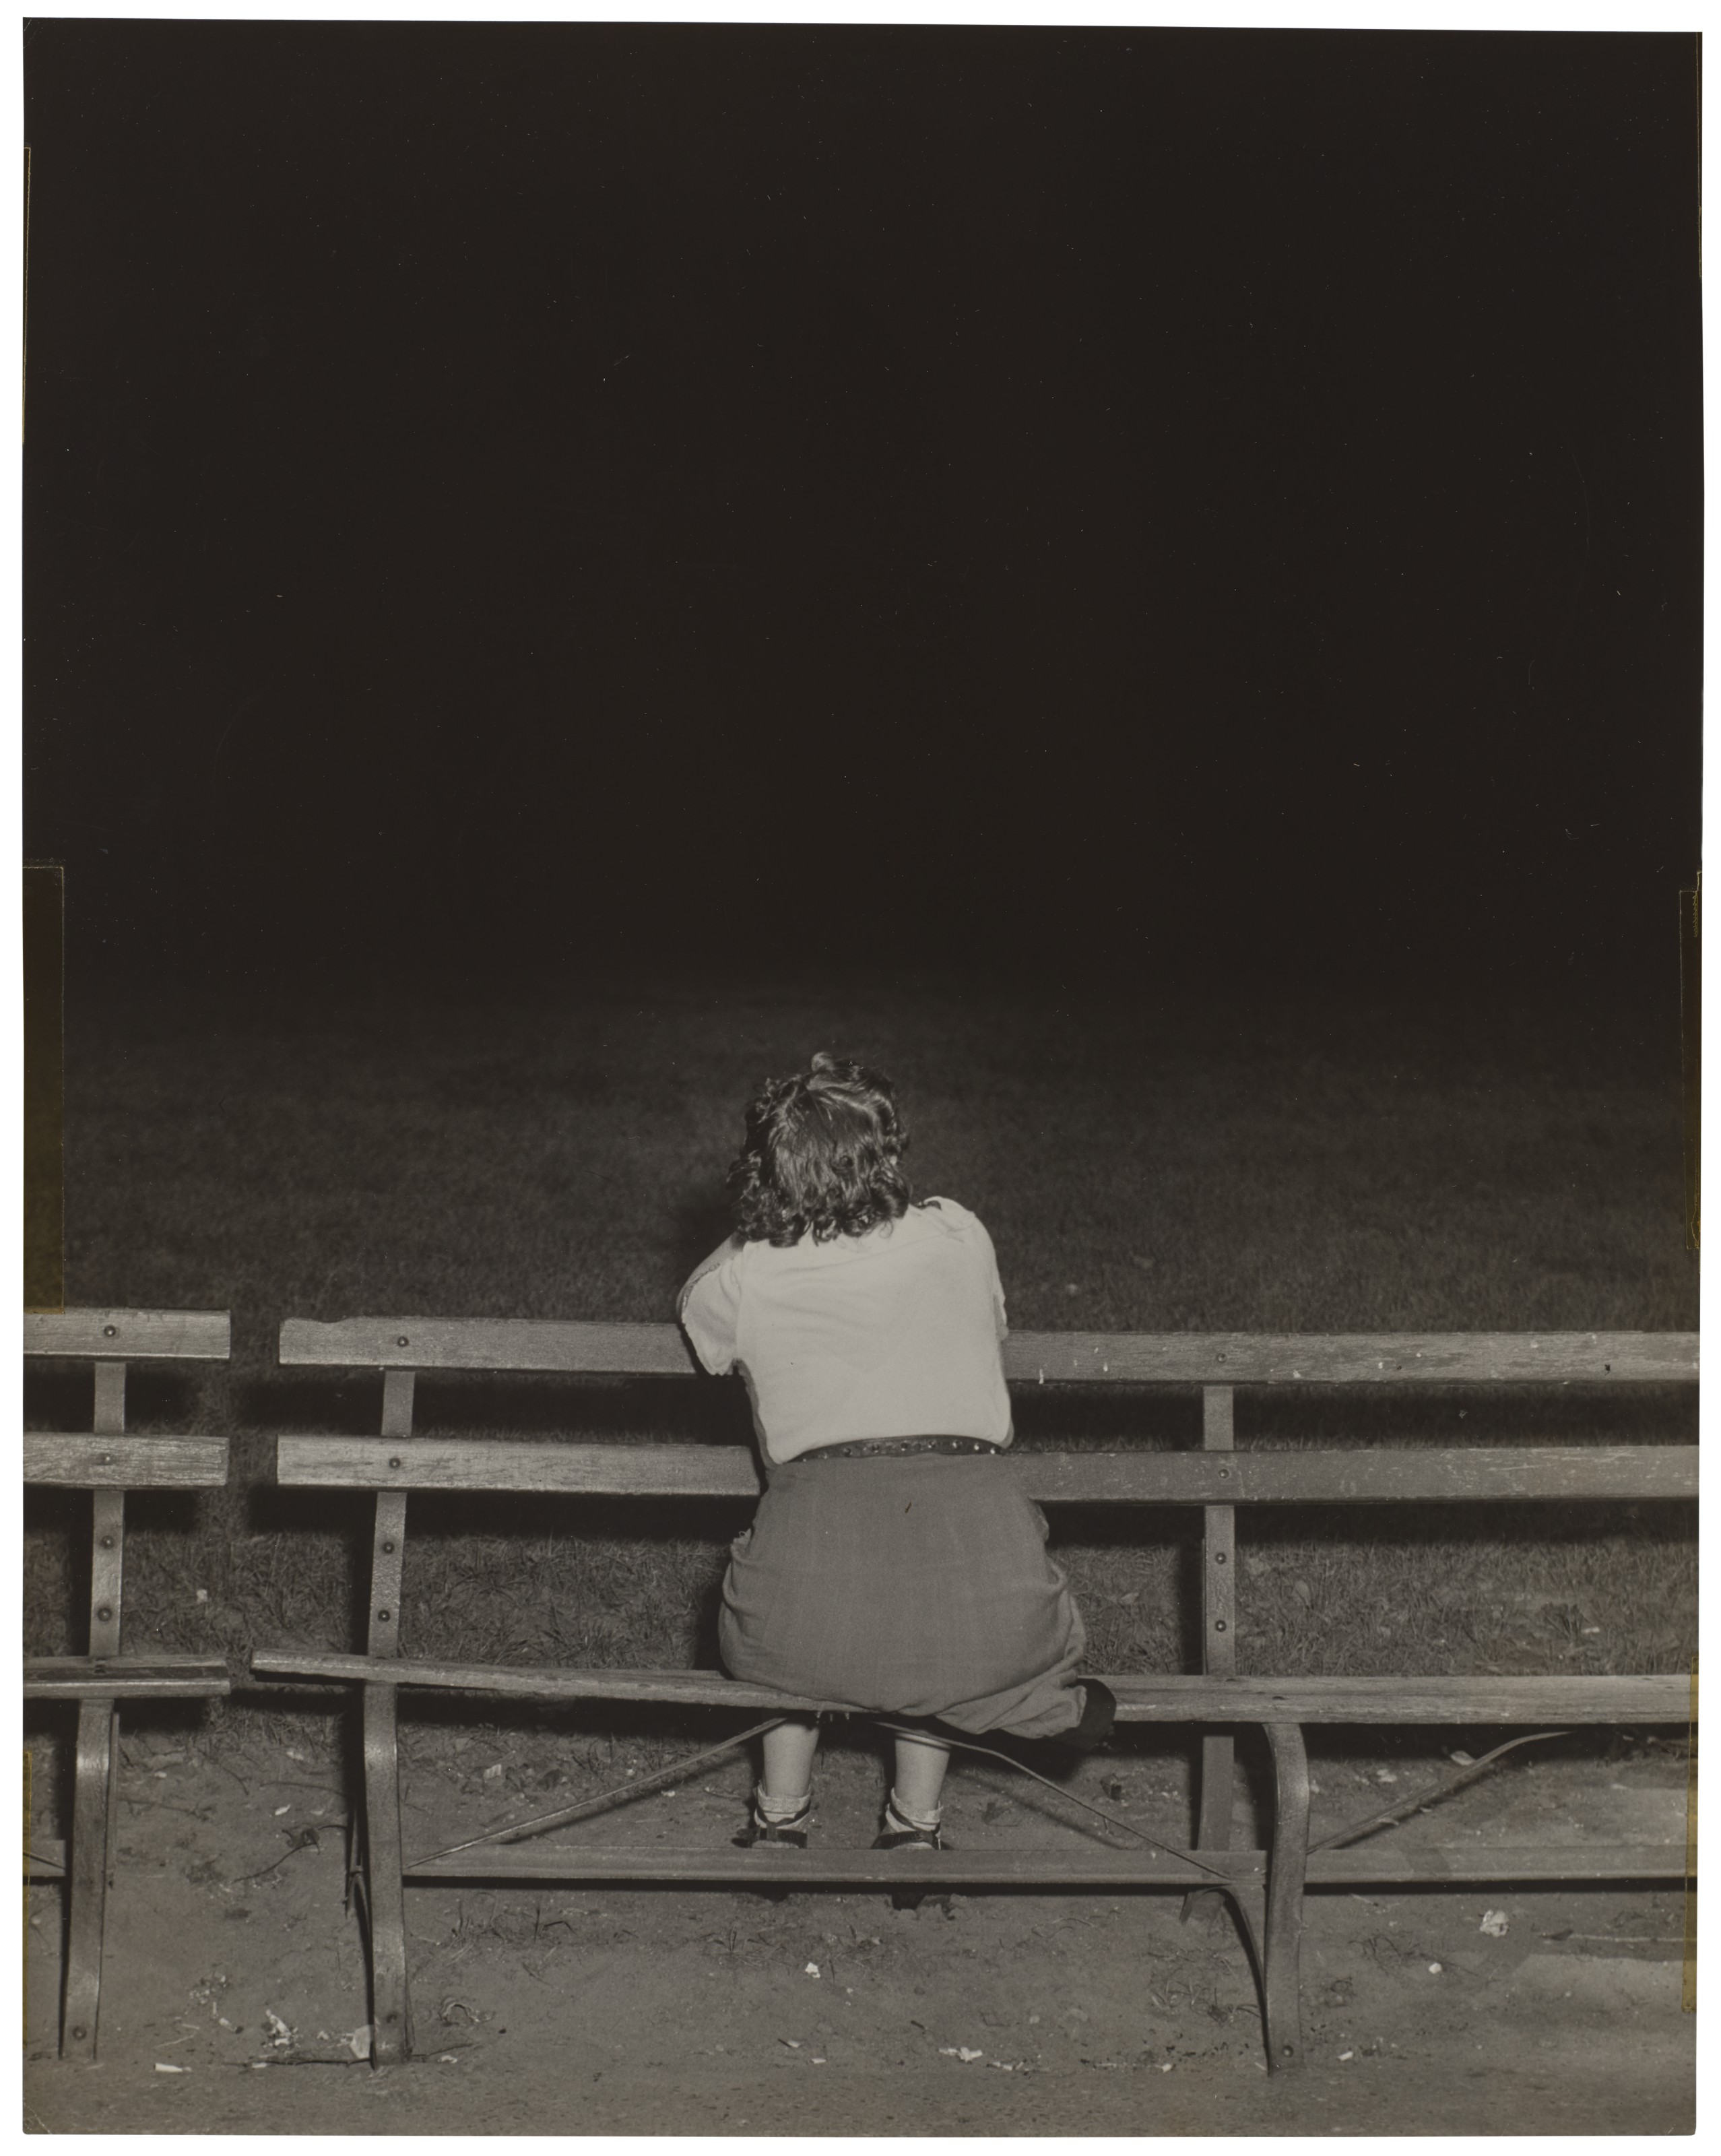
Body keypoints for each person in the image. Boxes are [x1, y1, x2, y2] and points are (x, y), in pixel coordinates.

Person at [677, 1051, 1113, 1853]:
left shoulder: (743, 1275)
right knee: (931, 1614)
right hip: (985, 1609)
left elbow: (697, 1318)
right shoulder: (958, 1233)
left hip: (799, 1621)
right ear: (888, 1151)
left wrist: (757, 1227)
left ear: (765, 1172)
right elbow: (989, 1327)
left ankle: (780, 1813)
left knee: (801, 1593)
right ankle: (913, 1823)